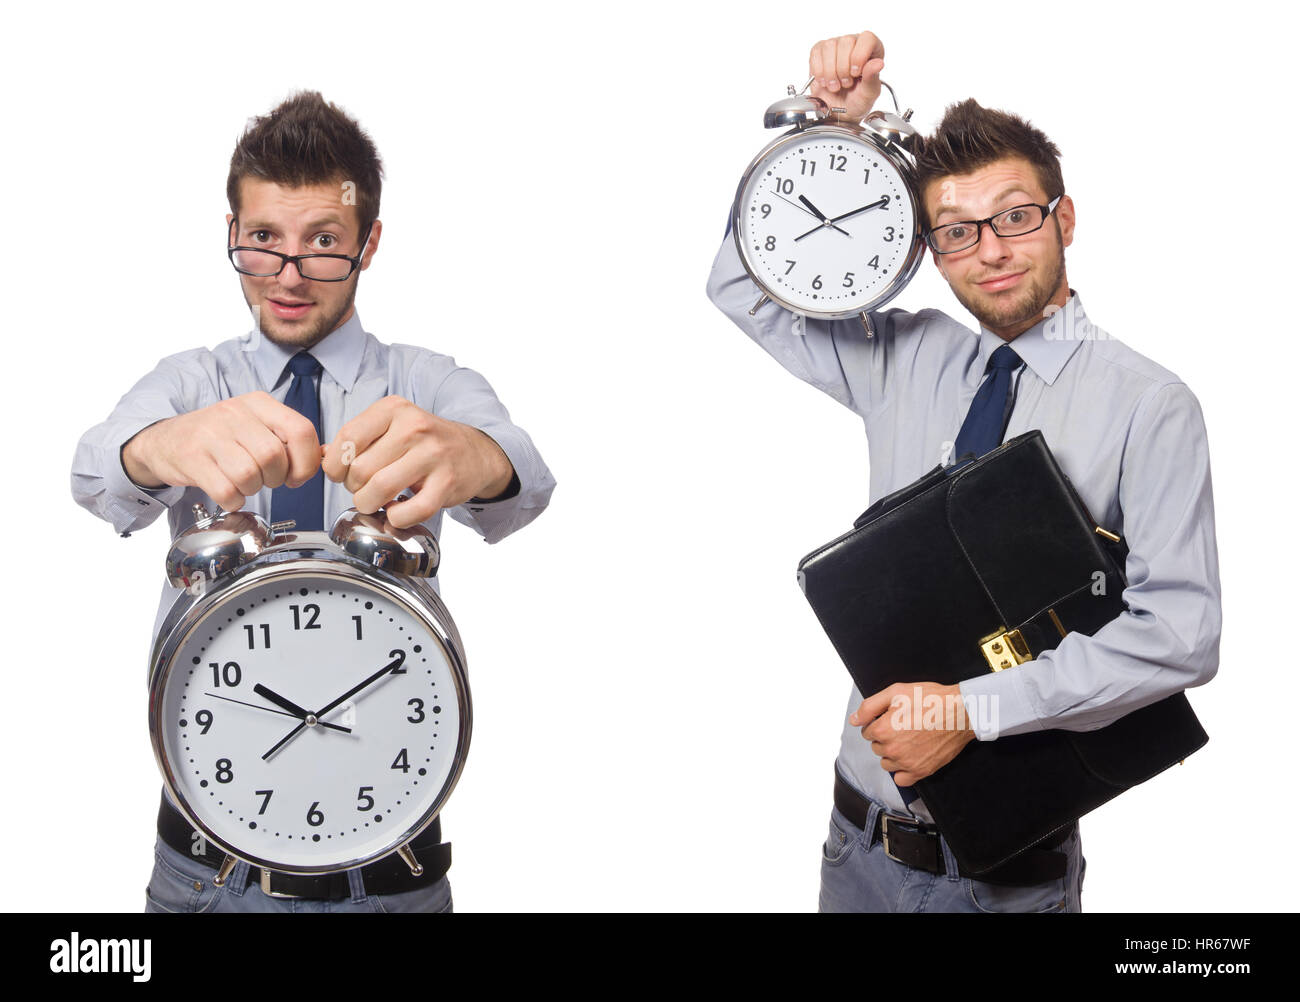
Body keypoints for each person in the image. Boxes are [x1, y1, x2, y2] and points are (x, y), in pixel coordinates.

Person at [706, 30, 1220, 913]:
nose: (991, 250)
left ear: (1064, 219)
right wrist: (833, 134)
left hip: (1002, 873)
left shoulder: (1150, 403)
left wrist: (965, 712)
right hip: (856, 840)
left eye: (1015, 216)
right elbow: (742, 288)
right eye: (957, 231)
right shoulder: (907, 355)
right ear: (928, 251)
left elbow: (1181, 633)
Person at [71, 91, 555, 913]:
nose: (289, 277)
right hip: (205, 870)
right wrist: (161, 445)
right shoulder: (195, 381)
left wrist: (471, 456)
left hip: (389, 870)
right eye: (265, 241)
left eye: (322, 243)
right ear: (233, 235)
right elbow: (92, 473)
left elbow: (525, 475)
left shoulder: (425, 381)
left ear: (368, 244)